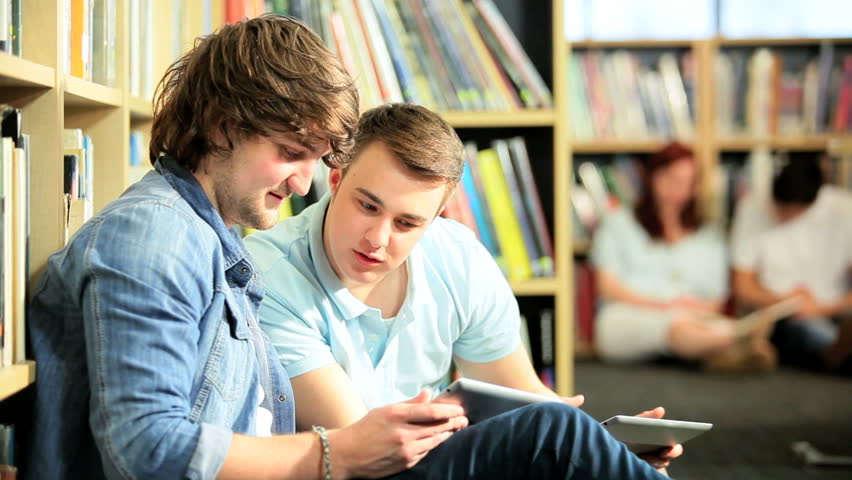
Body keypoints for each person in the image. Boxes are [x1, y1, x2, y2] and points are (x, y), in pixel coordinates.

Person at [25, 15, 669, 480]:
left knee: (562, 441)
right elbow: (144, 447)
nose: (302, 183)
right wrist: (338, 453)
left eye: (313, 158)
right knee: (551, 435)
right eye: (290, 153)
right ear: (222, 127)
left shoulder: (211, 241)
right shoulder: (155, 239)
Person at [246, 103, 681, 477]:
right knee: (554, 433)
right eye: (367, 205)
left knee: (574, 439)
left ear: (435, 218)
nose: (377, 238)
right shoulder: (269, 275)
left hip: (430, 455)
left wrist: (604, 449)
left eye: (407, 223)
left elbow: (523, 394)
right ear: (336, 179)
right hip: (354, 466)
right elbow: (361, 443)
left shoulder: (455, 255)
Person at [589, 143, 774, 371]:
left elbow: (716, 299)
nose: (679, 189)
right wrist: (667, 306)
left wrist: (691, 310)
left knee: (705, 326)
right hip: (630, 313)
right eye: (672, 179)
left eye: (688, 182)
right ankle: (728, 346)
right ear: (652, 177)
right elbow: (608, 288)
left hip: (694, 317)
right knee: (679, 328)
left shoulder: (708, 236)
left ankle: (723, 346)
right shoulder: (618, 224)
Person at [731, 155, 852, 373]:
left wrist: (822, 308)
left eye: (794, 211)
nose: (784, 216)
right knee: (806, 330)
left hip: (836, 309)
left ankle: (839, 350)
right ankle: (836, 353)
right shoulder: (753, 206)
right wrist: (787, 301)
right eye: (780, 208)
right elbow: (742, 286)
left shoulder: (844, 210)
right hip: (781, 313)